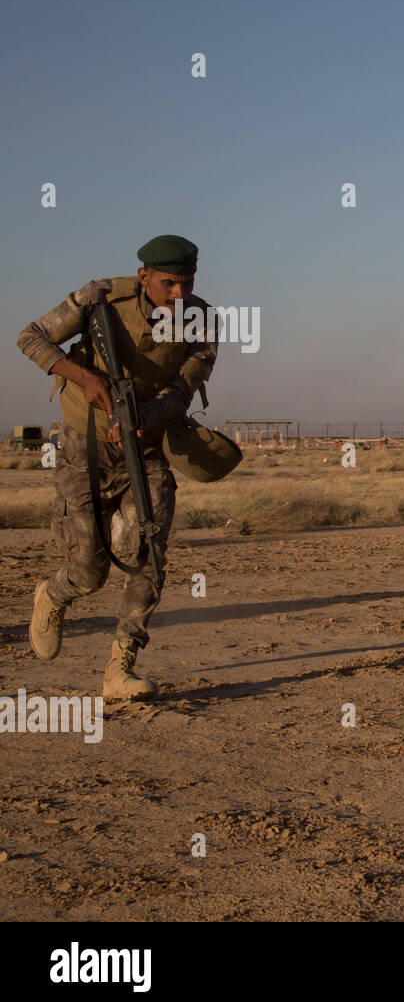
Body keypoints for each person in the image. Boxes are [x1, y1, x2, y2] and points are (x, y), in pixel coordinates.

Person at [20, 235, 219, 699]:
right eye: (169, 283)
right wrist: (84, 377)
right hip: (83, 446)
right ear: (144, 276)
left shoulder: (202, 319)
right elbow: (30, 337)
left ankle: (120, 667)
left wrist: (143, 419)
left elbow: (187, 385)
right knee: (89, 571)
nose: (179, 295)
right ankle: (53, 595)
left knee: (148, 551)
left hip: (146, 447)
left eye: (187, 283)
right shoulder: (99, 298)